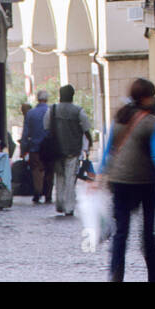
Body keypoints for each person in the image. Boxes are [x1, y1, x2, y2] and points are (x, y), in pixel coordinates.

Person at [98, 78, 155, 281]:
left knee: (121, 232)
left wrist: (99, 175)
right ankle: (153, 274)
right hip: (145, 182)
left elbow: (108, 149)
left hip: (119, 181)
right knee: (148, 232)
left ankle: (116, 274)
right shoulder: (152, 122)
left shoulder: (120, 118)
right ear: (146, 98)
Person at [46, 84, 93, 216]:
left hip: (56, 149)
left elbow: (46, 126)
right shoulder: (78, 111)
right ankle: (69, 207)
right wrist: (89, 143)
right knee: (70, 178)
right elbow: (86, 129)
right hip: (73, 149)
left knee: (59, 176)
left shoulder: (52, 110)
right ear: (72, 95)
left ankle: (60, 203)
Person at [24, 91, 53, 204]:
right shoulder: (51, 112)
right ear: (47, 99)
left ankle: (37, 191)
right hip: (49, 147)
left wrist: (24, 148)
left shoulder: (30, 113)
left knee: (36, 170)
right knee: (49, 170)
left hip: (35, 147)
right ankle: (48, 195)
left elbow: (26, 133)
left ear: (37, 99)